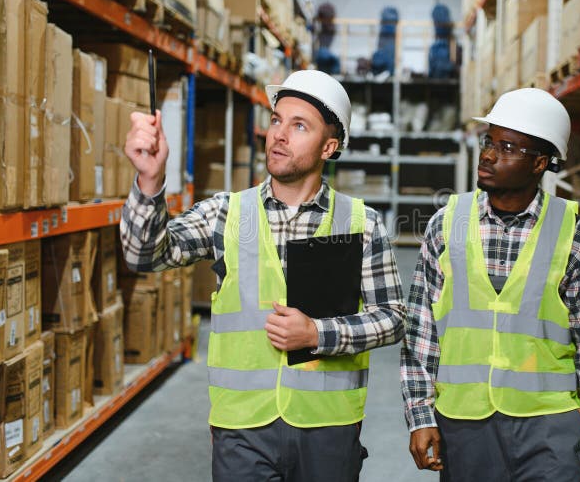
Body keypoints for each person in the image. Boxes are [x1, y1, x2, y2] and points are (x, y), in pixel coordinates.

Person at [120, 70, 405, 481]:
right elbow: (143, 255)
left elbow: (393, 317)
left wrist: (318, 335)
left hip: (327, 427)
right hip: (242, 429)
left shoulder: (361, 222)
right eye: (276, 120)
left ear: (329, 146)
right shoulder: (226, 212)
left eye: (299, 125)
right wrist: (149, 180)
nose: (279, 135)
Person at [400, 88, 580, 481]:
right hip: (465, 424)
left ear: (539, 162)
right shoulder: (446, 225)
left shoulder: (576, 237)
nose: (488, 154)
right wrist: (419, 415)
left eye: (506, 147)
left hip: (550, 431)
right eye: (489, 141)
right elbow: (420, 333)